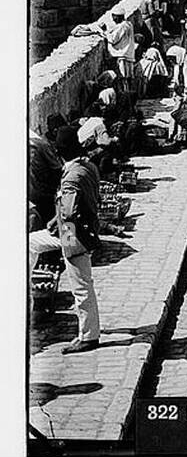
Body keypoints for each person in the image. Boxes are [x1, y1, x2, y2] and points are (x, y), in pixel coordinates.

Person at [28, 126, 102, 353]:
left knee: (80, 286)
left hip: (73, 233)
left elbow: (68, 212)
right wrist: (54, 222)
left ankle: (88, 336)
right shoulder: (87, 166)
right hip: (84, 228)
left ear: (60, 153)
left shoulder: (71, 176)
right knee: (32, 243)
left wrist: (60, 224)